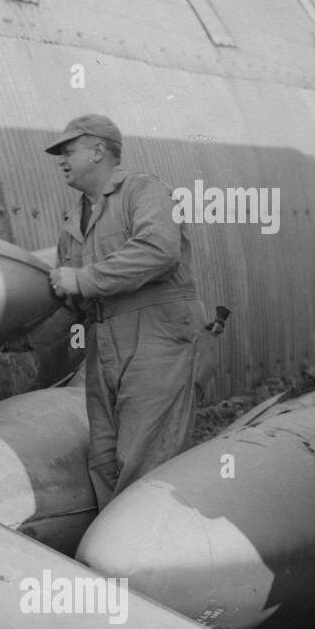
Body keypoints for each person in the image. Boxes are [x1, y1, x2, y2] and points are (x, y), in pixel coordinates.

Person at [45, 114, 204, 508]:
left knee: (144, 458)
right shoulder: (72, 220)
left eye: (68, 150)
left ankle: (151, 562)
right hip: (104, 342)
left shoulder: (143, 190)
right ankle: (111, 564)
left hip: (155, 338)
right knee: (103, 458)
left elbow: (159, 250)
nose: (61, 160)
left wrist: (81, 280)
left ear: (99, 150)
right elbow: (69, 295)